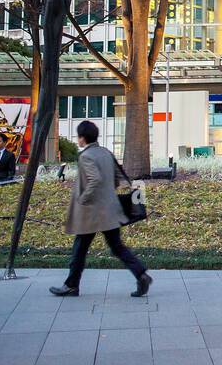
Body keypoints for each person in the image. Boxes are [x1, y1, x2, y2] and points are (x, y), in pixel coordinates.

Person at [50, 120, 151, 298]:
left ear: (82, 138)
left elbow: (94, 179)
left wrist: (83, 198)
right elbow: (118, 178)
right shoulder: (106, 153)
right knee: (117, 247)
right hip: (110, 210)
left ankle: (71, 285)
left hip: (91, 213)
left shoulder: (85, 156)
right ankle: (141, 274)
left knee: (80, 248)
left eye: (78, 137)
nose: (78, 140)